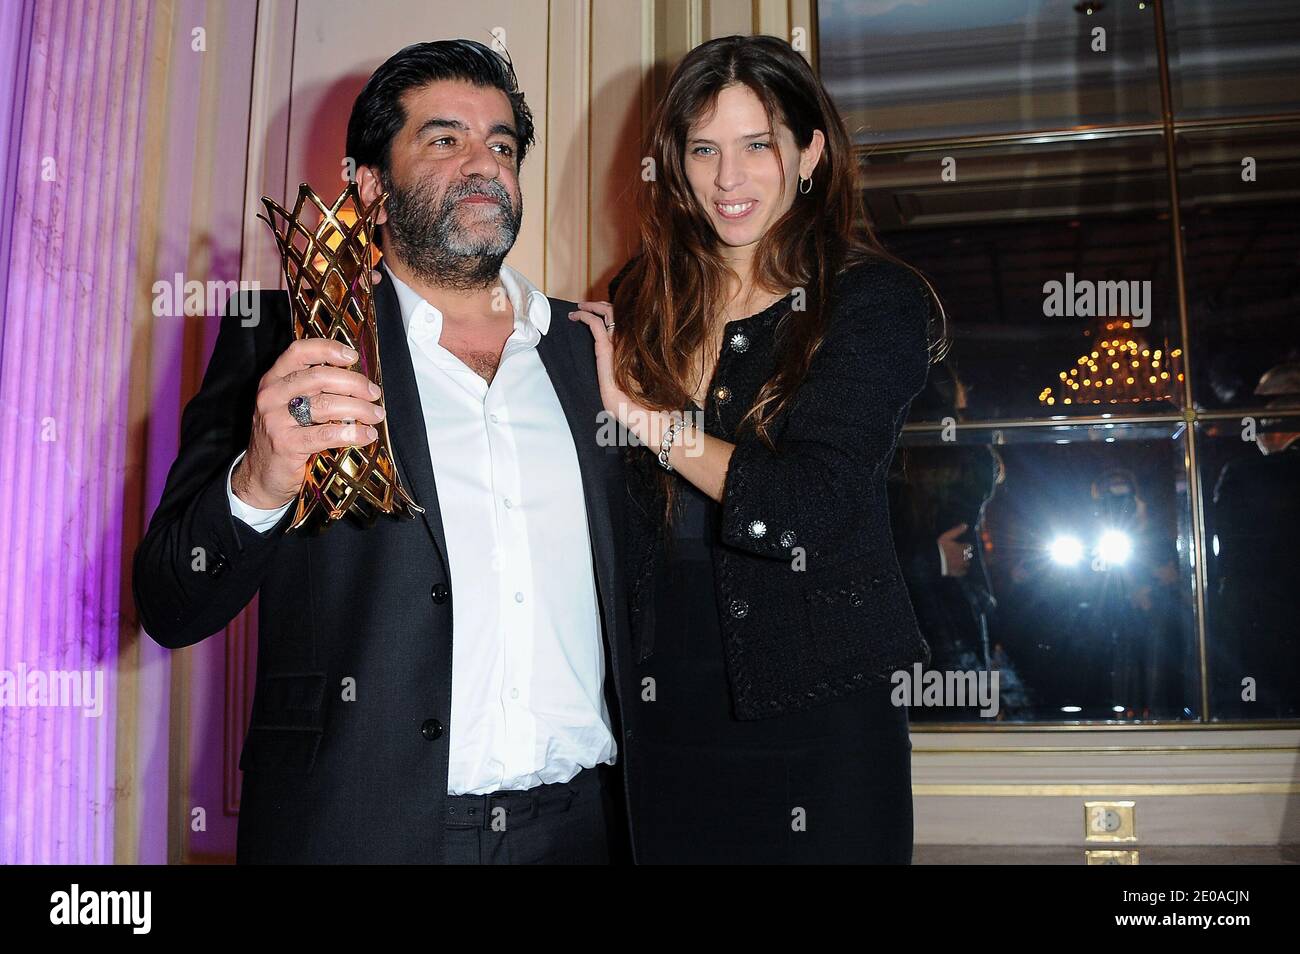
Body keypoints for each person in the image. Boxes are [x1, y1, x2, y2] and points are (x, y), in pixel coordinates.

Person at [134, 40, 634, 864]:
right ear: (369, 185)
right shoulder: (286, 343)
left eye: (502, 146)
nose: (484, 164)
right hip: (357, 829)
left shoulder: (593, 356)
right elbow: (170, 603)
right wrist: (260, 477)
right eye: (445, 140)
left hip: (581, 832)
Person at [570, 34, 944, 863]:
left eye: (756, 146)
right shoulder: (637, 294)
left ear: (810, 153)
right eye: (703, 149)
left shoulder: (871, 300)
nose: (727, 179)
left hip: (818, 707)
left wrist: (646, 419)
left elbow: (806, 506)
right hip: (660, 700)